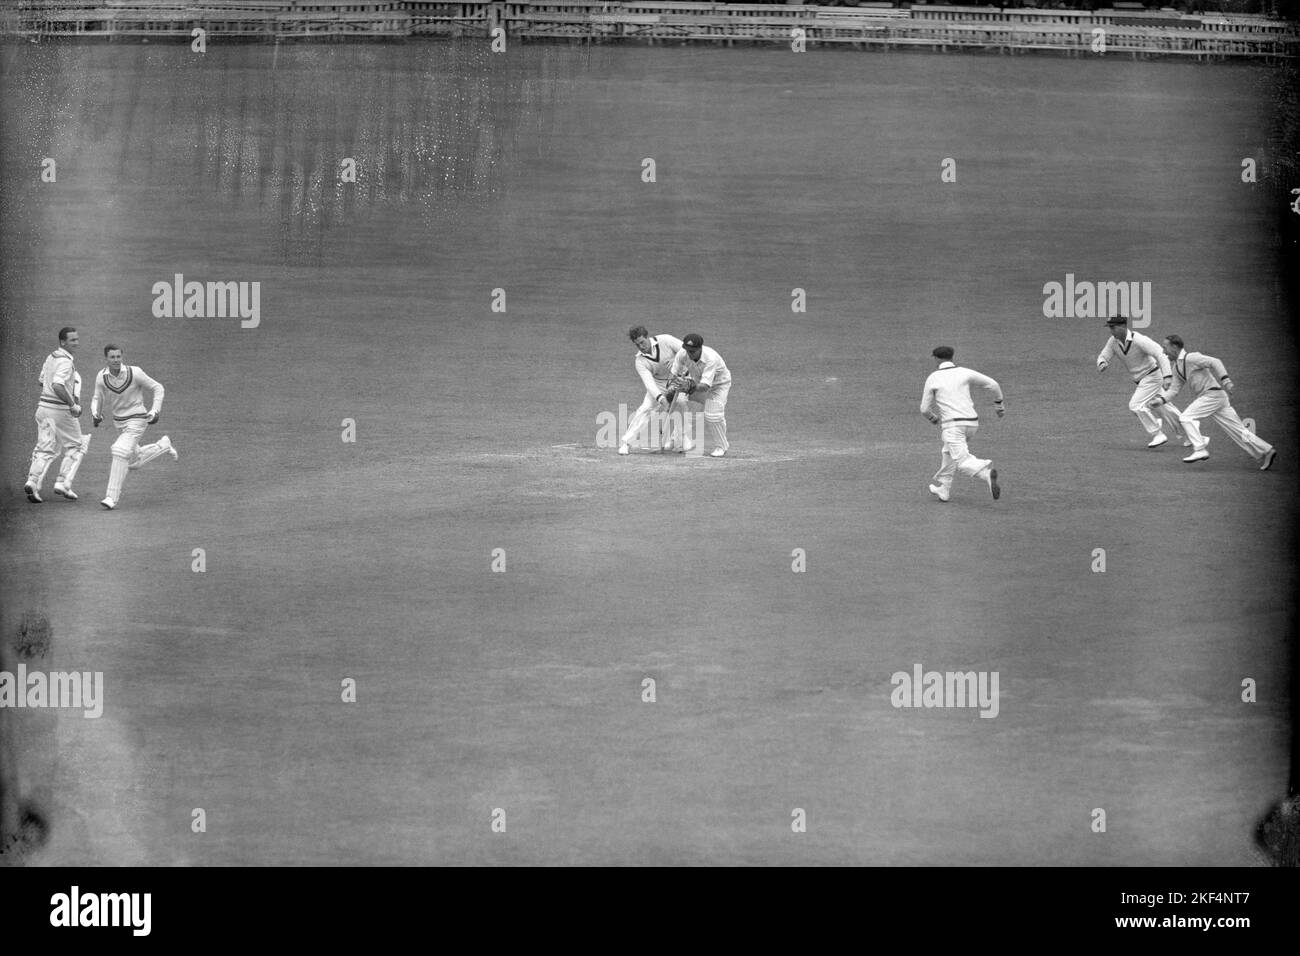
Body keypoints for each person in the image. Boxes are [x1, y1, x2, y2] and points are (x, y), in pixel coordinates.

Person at [1149, 334, 1276, 469]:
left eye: (1165, 348)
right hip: (1217, 398)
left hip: (1212, 396)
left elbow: (1215, 362)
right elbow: (1174, 390)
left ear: (1174, 347)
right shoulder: (1176, 368)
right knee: (1238, 431)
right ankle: (1267, 451)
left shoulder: (1191, 358)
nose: (1163, 352)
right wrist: (1161, 401)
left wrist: (1226, 380)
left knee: (1186, 418)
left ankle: (1200, 449)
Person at [90, 344, 177, 510]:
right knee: (134, 461)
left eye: (118, 357)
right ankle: (163, 445)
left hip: (137, 418)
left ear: (122, 357)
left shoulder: (135, 372)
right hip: (119, 422)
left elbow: (158, 387)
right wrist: (96, 414)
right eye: (112, 357)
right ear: (106, 359)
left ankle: (111, 497)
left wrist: (155, 410)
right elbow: (97, 397)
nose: (116, 360)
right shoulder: (101, 377)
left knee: (119, 450)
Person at [920, 346, 1003, 502]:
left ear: (936, 359)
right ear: (952, 357)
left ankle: (986, 473)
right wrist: (999, 405)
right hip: (972, 424)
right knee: (948, 452)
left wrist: (934, 418)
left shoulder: (933, 377)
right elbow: (994, 384)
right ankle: (944, 488)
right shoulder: (965, 372)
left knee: (962, 460)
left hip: (953, 426)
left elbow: (924, 409)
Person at [1096, 314, 1183, 448]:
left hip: (1152, 377)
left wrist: (1167, 376)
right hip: (1143, 381)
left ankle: (1157, 434)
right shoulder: (1113, 341)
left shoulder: (1140, 340)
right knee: (1165, 409)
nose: (1111, 331)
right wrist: (1102, 362)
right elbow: (1104, 354)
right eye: (1110, 328)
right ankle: (1195, 436)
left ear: (1123, 326)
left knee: (1135, 405)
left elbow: (1160, 353)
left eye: (1113, 327)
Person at [24, 327, 90, 503]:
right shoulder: (66, 362)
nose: (76, 342)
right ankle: (62, 482)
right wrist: (72, 404)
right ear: (63, 342)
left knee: (44, 448)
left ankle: (32, 481)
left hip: (42, 409)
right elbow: (57, 385)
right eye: (72, 340)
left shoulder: (50, 357)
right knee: (78, 445)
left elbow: (41, 381)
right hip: (59, 411)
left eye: (77, 339)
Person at [618, 326, 689, 455]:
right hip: (659, 384)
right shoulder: (640, 361)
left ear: (647, 337)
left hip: (678, 379)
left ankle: (677, 441)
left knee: (682, 403)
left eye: (642, 342)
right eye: (637, 345)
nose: (641, 346)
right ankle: (626, 443)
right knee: (646, 408)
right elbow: (649, 384)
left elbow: (687, 351)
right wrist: (662, 400)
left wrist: (676, 361)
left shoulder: (666, 340)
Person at [667, 333, 731, 457]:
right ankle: (677, 440)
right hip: (696, 383)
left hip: (719, 385)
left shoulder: (710, 358)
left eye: (692, 351)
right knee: (686, 408)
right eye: (687, 350)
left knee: (713, 415)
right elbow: (673, 374)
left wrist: (688, 386)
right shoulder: (682, 354)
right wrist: (671, 387)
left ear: (700, 348)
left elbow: (705, 386)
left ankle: (721, 446)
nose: (689, 354)